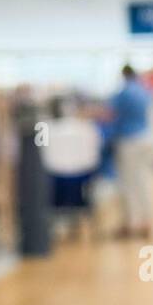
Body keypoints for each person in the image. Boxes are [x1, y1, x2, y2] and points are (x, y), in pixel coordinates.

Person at [42, 96, 102, 241]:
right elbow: (94, 156)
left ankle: (60, 224)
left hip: (56, 180)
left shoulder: (45, 129)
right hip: (81, 179)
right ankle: (75, 221)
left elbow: (42, 157)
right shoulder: (88, 128)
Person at [109, 64, 153, 239]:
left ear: (123, 75)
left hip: (128, 140)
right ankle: (146, 221)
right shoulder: (144, 91)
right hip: (146, 138)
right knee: (145, 180)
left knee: (128, 183)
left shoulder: (124, 93)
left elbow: (111, 114)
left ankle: (131, 223)